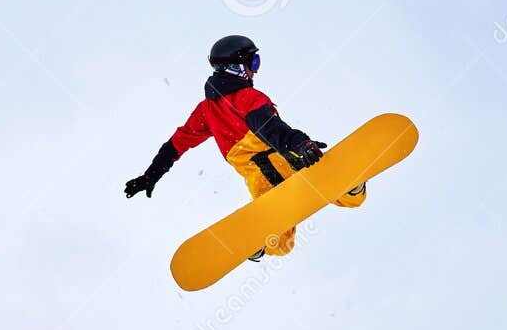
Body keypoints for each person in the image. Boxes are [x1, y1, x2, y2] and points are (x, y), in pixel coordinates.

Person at [124, 35, 365, 259]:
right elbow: (268, 127)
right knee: (336, 193)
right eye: (254, 62)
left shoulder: (205, 111)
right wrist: (299, 143)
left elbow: (176, 144)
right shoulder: (246, 97)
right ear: (236, 66)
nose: (255, 71)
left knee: (281, 244)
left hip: (258, 178)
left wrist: (151, 174)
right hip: (286, 159)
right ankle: (350, 188)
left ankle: (256, 242)